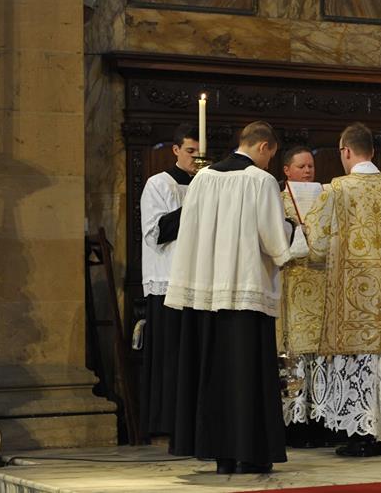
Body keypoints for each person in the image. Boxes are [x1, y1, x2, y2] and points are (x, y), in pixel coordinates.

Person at [165, 121, 309, 474]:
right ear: (264, 147)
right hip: (246, 292)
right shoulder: (259, 181)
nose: (269, 163)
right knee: (248, 375)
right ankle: (251, 453)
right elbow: (274, 240)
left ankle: (221, 455)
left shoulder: (203, 179)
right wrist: (295, 230)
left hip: (207, 294)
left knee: (213, 372)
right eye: (272, 156)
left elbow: (190, 231)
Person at [303, 123, 381, 457]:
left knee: (358, 362)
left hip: (352, 299)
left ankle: (361, 433)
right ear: (372, 151)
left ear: (345, 151)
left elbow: (315, 243)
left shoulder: (337, 189)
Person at [138, 123, 198, 438]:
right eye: (190, 152)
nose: (195, 159)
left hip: (202, 283)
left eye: (200, 154)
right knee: (171, 357)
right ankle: (167, 423)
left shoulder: (209, 184)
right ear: (175, 150)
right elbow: (156, 233)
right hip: (168, 281)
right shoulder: (158, 184)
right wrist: (196, 200)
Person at [277, 145, 333, 447]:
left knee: (320, 355)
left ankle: (321, 420)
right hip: (292, 285)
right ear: (287, 170)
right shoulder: (278, 199)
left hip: (321, 282)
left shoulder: (325, 197)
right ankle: (295, 424)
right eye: (301, 167)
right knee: (294, 355)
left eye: (311, 166)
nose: (308, 171)